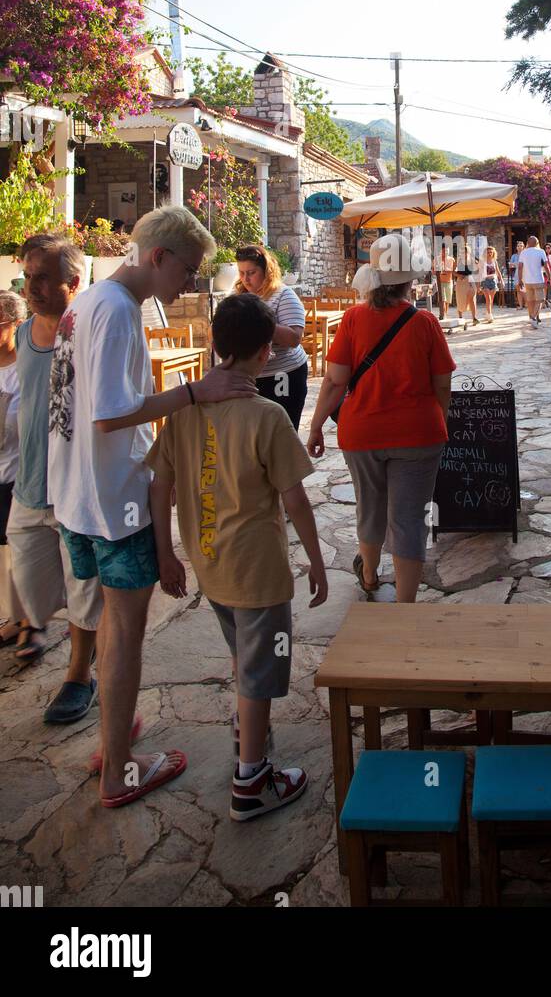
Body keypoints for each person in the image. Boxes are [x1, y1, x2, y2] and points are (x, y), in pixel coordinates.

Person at [47, 206, 257, 809]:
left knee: (114, 625)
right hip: (113, 501)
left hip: (79, 495)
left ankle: (114, 736)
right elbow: (110, 412)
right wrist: (196, 391)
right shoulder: (114, 310)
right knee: (126, 634)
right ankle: (119, 772)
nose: (189, 285)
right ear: (157, 257)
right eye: (187, 271)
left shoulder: (85, 302)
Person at [146, 291, 328, 821]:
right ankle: (251, 780)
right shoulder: (267, 416)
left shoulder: (184, 411)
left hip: (210, 564)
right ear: (266, 351)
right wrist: (316, 560)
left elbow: (161, 486)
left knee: (243, 656)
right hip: (259, 572)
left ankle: (250, 732)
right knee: (260, 671)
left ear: (215, 343)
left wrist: (166, 554)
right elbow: (294, 497)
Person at [306, 232, 455, 604]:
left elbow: (334, 381)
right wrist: (440, 420)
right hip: (418, 434)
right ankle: (405, 604)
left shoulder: (353, 319)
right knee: (409, 518)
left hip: (362, 434)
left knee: (368, 507)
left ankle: (370, 577)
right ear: (408, 279)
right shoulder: (425, 323)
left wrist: (315, 425)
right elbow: (442, 385)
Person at [5, 237, 103, 720]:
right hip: (28, 486)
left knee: (85, 590)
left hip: (74, 491)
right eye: (29, 275)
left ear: (74, 283)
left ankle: (80, 675)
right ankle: (41, 633)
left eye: (44, 277)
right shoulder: (22, 335)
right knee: (33, 587)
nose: (32, 286)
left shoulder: (88, 335)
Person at [234, 244, 307, 431]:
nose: (245, 279)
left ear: (266, 270)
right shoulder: (237, 296)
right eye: (241, 273)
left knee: (282, 431)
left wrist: (258, 321)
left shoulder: (284, 295)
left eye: (251, 272)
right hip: (252, 376)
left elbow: (294, 338)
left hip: (284, 374)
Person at [0, 291, 28, 655]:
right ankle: (15, 618)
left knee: (21, 549)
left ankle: (30, 623)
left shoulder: (26, 369)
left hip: (19, 472)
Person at [517, 235, 551, 330]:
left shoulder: (523, 252)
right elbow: (546, 266)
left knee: (530, 301)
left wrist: (520, 280)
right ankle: (533, 317)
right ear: (537, 243)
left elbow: (520, 267)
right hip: (538, 279)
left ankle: (533, 320)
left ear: (528, 243)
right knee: (540, 300)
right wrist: (549, 277)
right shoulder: (541, 251)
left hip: (527, 280)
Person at [454, 239, 479, 325]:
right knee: (460, 299)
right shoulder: (458, 260)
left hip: (470, 280)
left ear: (468, 252)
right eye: (462, 252)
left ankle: (474, 318)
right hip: (460, 282)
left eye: (465, 252)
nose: (463, 253)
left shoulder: (473, 260)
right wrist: (458, 275)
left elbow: (478, 271)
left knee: (472, 299)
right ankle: (460, 317)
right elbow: (453, 271)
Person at [477, 245, 504, 323]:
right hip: (485, 281)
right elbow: (479, 273)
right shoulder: (482, 261)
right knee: (488, 298)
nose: (489, 254)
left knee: (491, 299)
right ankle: (489, 315)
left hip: (493, 281)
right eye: (488, 252)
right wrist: (478, 285)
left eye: (491, 252)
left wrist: (501, 280)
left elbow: (498, 272)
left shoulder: (494, 261)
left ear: (493, 253)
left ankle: (488, 313)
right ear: (485, 253)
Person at [436, 244, 456, 321]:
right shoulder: (437, 259)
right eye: (444, 251)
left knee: (447, 300)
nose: (446, 252)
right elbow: (433, 271)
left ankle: (445, 313)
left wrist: (447, 269)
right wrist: (437, 270)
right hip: (440, 281)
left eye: (447, 251)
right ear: (441, 251)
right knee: (442, 299)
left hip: (449, 281)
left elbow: (454, 271)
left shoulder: (452, 259)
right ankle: (443, 314)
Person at [508, 240, 525, 308]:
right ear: (516, 247)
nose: (519, 247)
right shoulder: (514, 256)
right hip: (517, 273)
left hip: (525, 272)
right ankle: (520, 305)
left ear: (523, 247)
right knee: (518, 290)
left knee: (525, 289)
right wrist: (516, 264)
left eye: (521, 246)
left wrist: (515, 264)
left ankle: (526, 304)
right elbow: (510, 265)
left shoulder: (525, 255)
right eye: (518, 246)